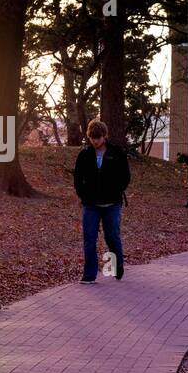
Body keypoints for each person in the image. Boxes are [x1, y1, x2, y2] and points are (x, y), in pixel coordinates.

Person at [73, 119, 130, 283]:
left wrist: (116, 191)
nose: (95, 141)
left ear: (104, 136)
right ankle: (89, 274)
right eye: (92, 138)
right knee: (89, 238)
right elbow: (77, 178)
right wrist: (83, 195)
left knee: (112, 236)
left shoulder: (116, 153)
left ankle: (116, 266)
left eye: (98, 137)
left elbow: (125, 177)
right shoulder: (85, 154)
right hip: (91, 204)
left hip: (112, 204)